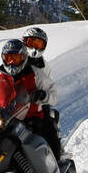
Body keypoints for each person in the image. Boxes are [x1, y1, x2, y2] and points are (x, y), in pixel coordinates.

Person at [0, 39, 63, 173]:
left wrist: (43, 95)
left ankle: (55, 168)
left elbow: (54, 94)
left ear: (23, 58)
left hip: (31, 116)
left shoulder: (35, 73)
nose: (11, 62)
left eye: (15, 58)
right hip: (7, 118)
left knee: (44, 133)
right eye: (8, 58)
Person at [21, 26, 63, 159]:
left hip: (37, 106)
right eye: (32, 43)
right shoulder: (15, 58)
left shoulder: (45, 66)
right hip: (15, 107)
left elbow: (50, 88)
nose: (35, 47)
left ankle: (56, 160)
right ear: (24, 41)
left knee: (48, 131)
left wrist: (43, 95)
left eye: (39, 44)